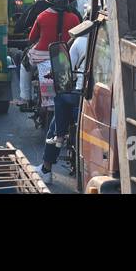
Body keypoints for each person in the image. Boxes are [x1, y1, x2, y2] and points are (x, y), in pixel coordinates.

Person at [40, 21, 89, 183]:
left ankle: (46, 168)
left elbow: (64, 68)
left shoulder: (80, 42)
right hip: (99, 93)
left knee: (59, 105)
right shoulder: (110, 41)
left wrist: (51, 74)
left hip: (81, 95)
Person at [16, 0, 69, 110]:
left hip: (42, 53)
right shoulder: (74, 13)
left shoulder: (41, 13)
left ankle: (25, 97)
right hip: (66, 55)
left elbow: (31, 37)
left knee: (25, 65)